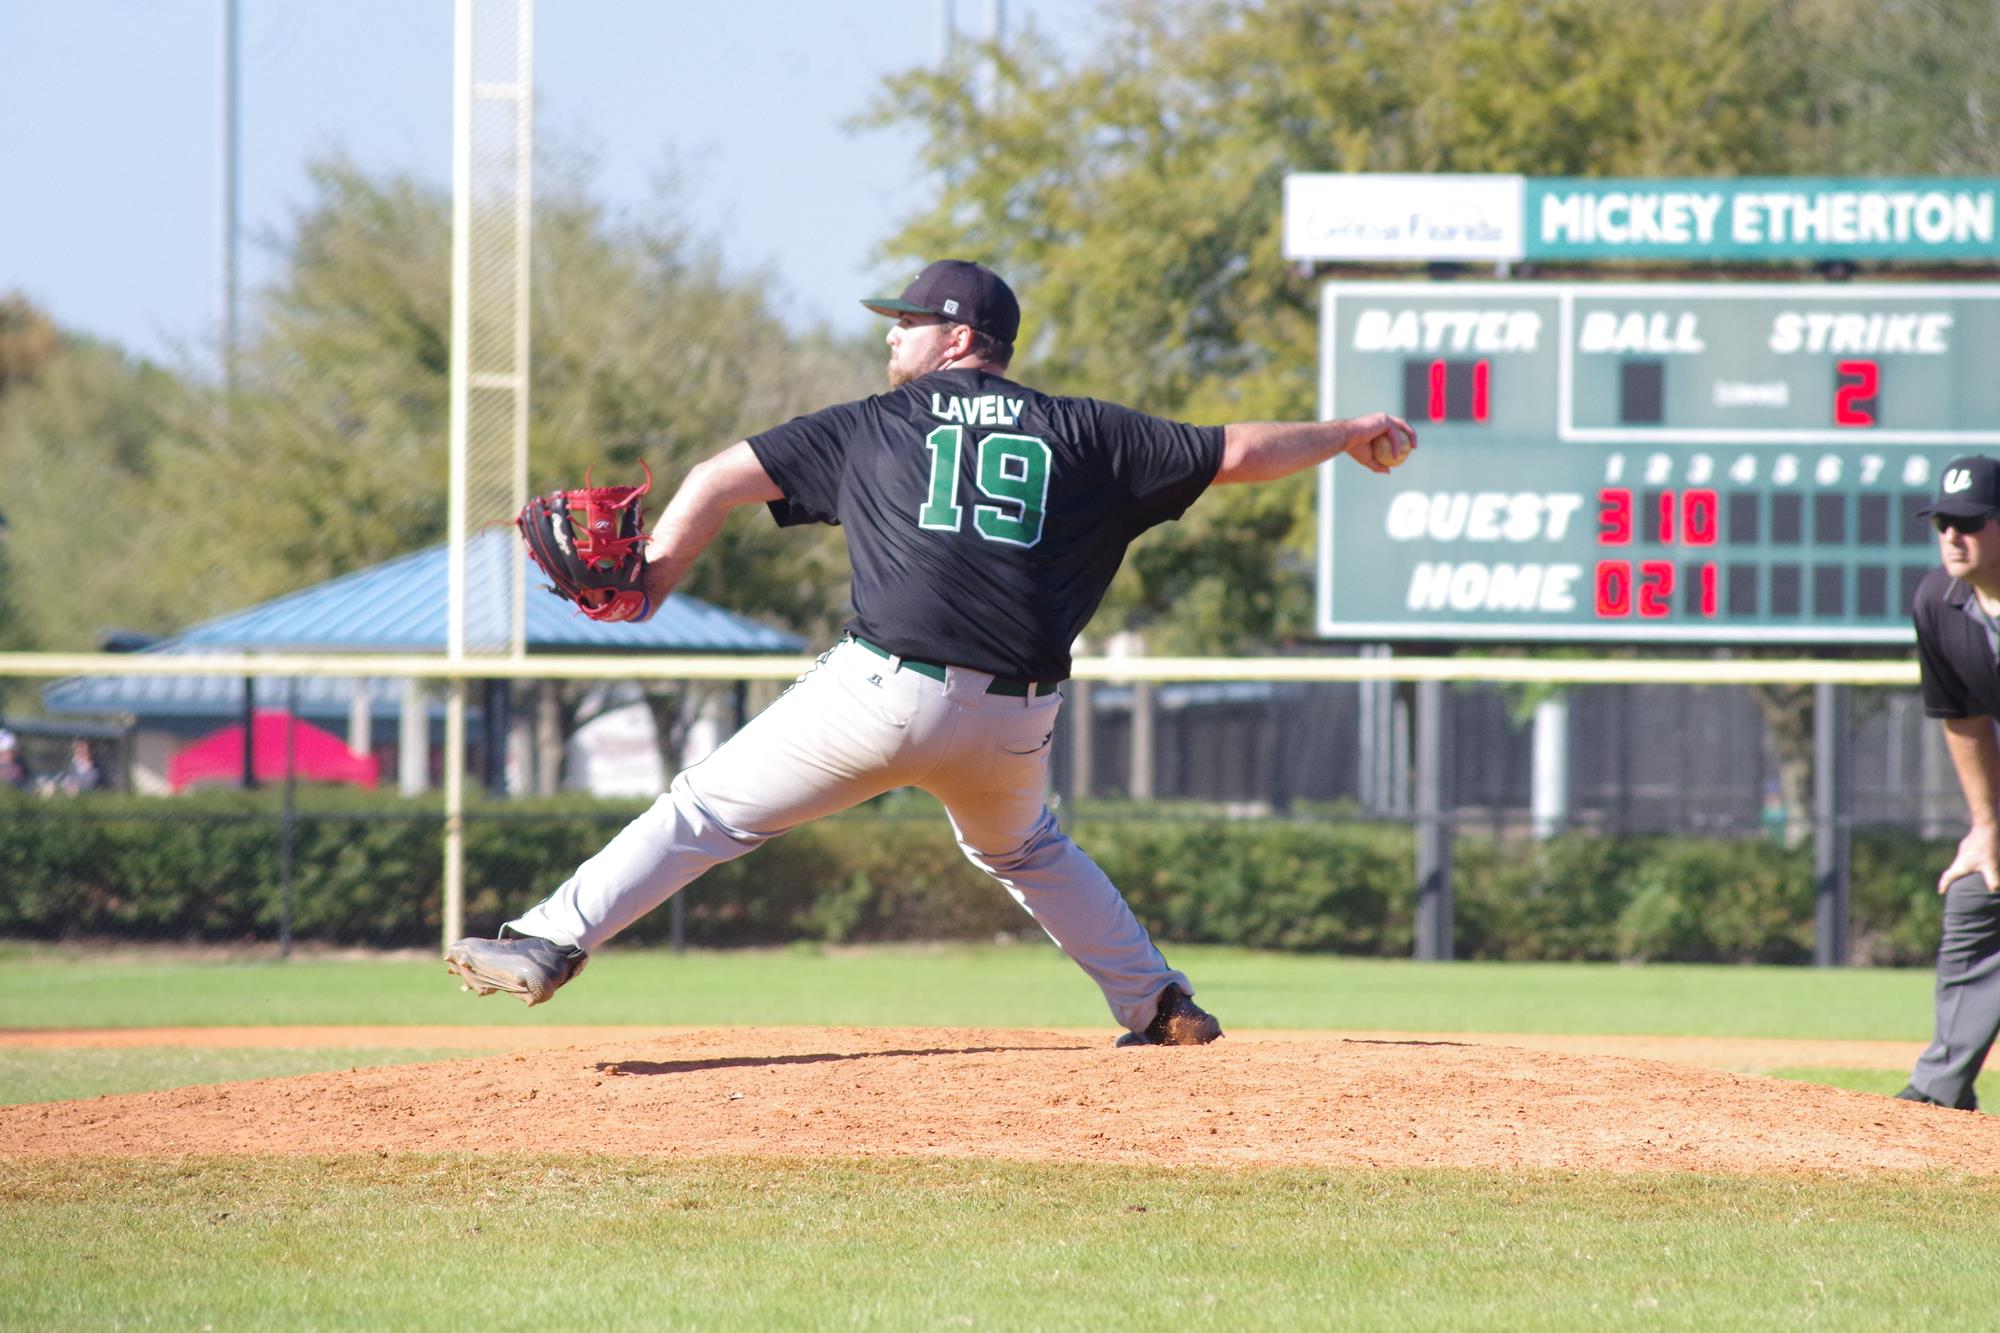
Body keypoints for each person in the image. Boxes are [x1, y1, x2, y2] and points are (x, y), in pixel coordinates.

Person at [445, 258, 1416, 1045]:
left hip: (879, 690)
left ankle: (547, 941)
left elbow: (714, 478)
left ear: (956, 337)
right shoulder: (1087, 431)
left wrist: (651, 579)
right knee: (1027, 847)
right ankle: (1160, 1007)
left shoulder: (867, 425)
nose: (889, 334)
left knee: (703, 810)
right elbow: (1237, 450)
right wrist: (1346, 431)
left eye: (905, 320)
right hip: (1012, 718)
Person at [1900, 454, 2000, 1110]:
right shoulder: (1939, 600)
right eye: (1943, 521)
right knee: (1976, 895)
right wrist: (1986, 827)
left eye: (1969, 521)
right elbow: (1961, 716)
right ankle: (1938, 1098)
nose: (1952, 535)